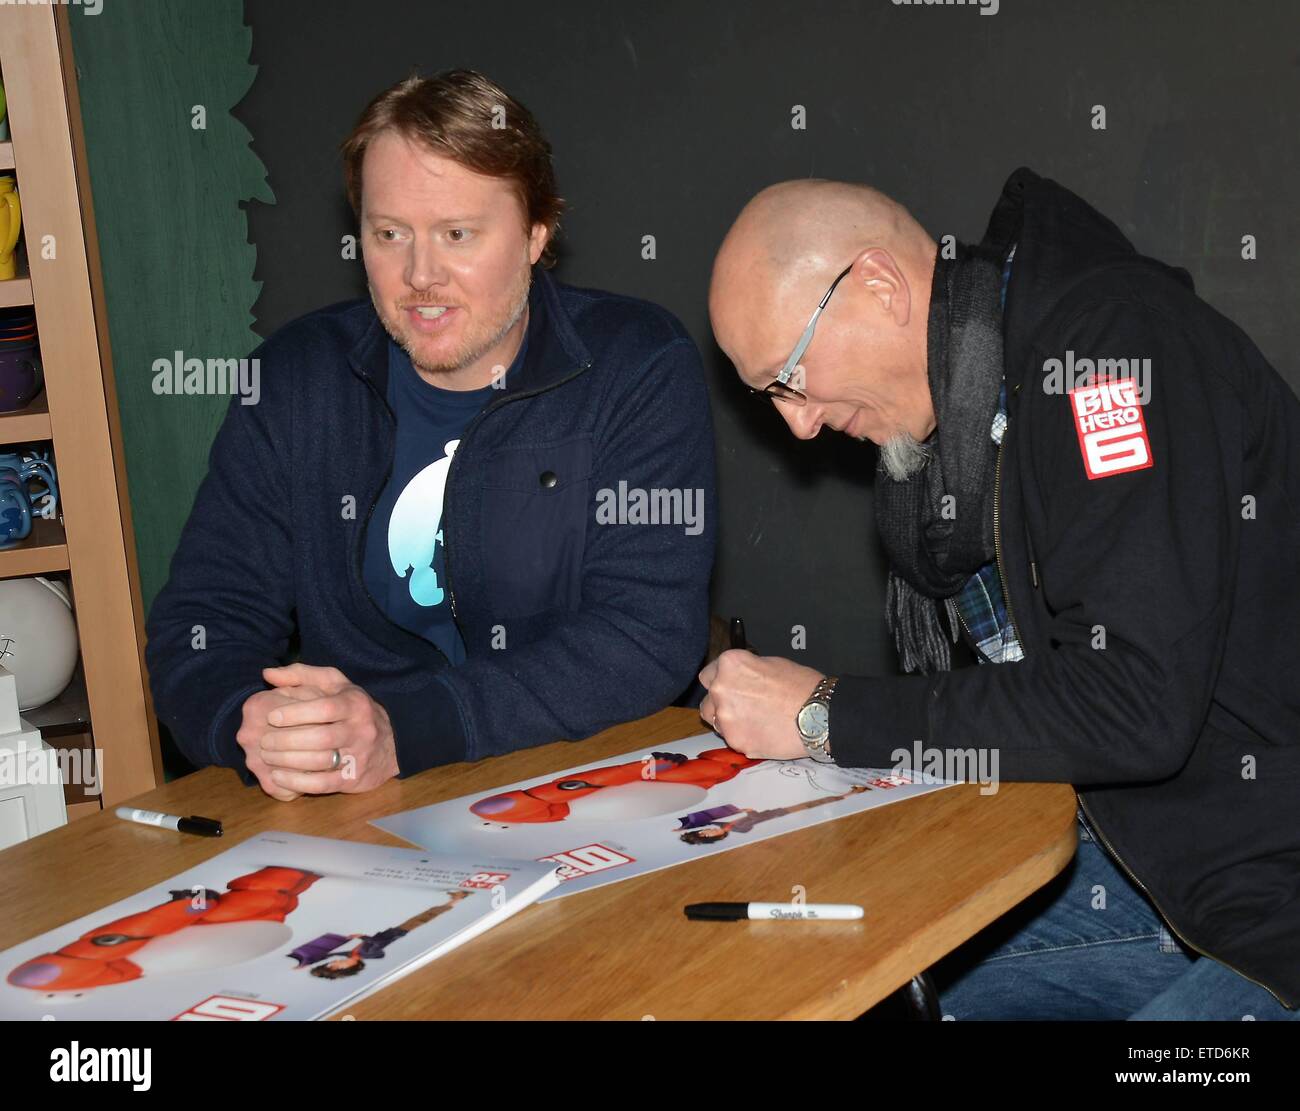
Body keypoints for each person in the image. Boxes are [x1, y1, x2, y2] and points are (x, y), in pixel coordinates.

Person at [702, 167, 1300, 1019]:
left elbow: (1133, 707)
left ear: (878, 285)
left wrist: (829, 714)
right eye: (768, 396)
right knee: (862, 968)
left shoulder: (1106, 362)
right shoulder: (995, 396)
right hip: (1173, 857)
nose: (796, 423)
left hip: (1274, 887)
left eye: (789, 374)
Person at [146, 70, 715, 801]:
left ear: (538, 234)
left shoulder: (636, 364)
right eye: (389, 235)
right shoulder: (294, 381)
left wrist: (403, 728)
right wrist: (248, 719)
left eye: (457, 234)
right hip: (364, 810)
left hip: (585, 782)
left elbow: (646, 634)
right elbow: (202, 620)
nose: (420, 275)